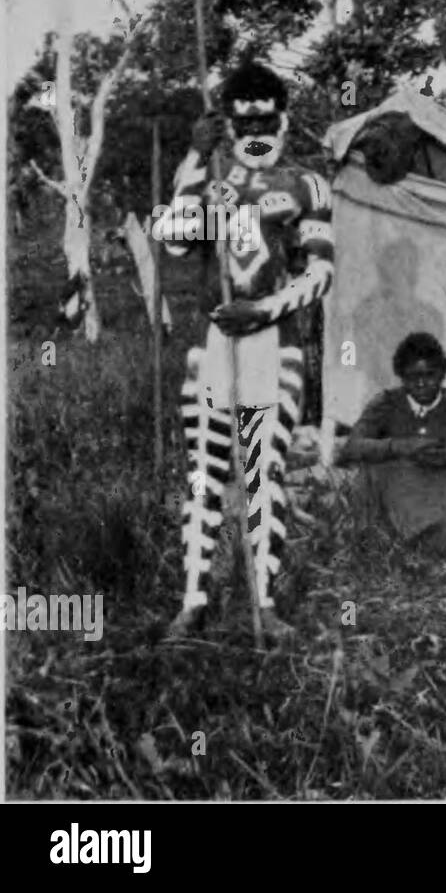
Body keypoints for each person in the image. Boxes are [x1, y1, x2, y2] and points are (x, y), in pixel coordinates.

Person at [153, 62, 335, 641]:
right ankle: (194, 602)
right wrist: (190, 164)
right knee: (205, 476)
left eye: (267, 112)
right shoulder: (208, 178)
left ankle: (265, 602)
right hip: (212, 345)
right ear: (227, 122)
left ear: (283, 118)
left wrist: (260, 311)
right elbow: (178, 243)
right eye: (243, 113)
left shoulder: (307, 184)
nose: (256, 122)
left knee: (264, 474)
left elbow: (322, 273)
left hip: (272, 345)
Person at [335, 332, 446, 555]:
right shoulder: (386, 402)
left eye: (430, 375)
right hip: (400, 493)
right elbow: (352, 446)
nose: (421, 383)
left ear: (443, 373)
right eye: (412, 377)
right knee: (369, 474)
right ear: (401, 376)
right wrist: (401, 446)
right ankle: (388, 547)